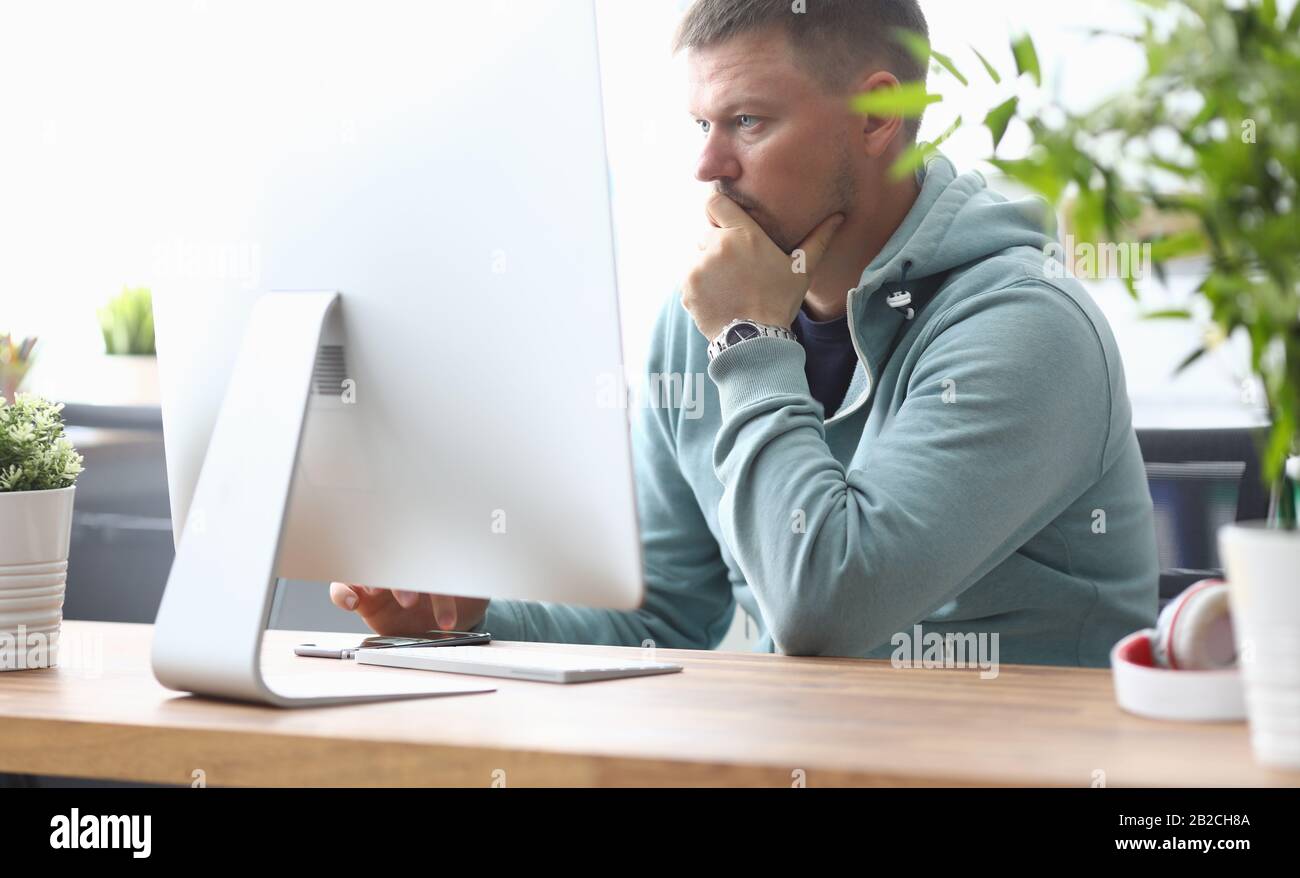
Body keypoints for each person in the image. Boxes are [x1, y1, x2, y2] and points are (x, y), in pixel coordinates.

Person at [331, 0, 1158, 666]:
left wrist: (748, 343)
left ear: (877, 118)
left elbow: (825, 608)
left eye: (748, 123)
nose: (706, 166)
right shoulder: (701, 323)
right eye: (701, 126)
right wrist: (465, 624)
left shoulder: (1026, 326)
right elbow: (663, 615)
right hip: (797, 758)